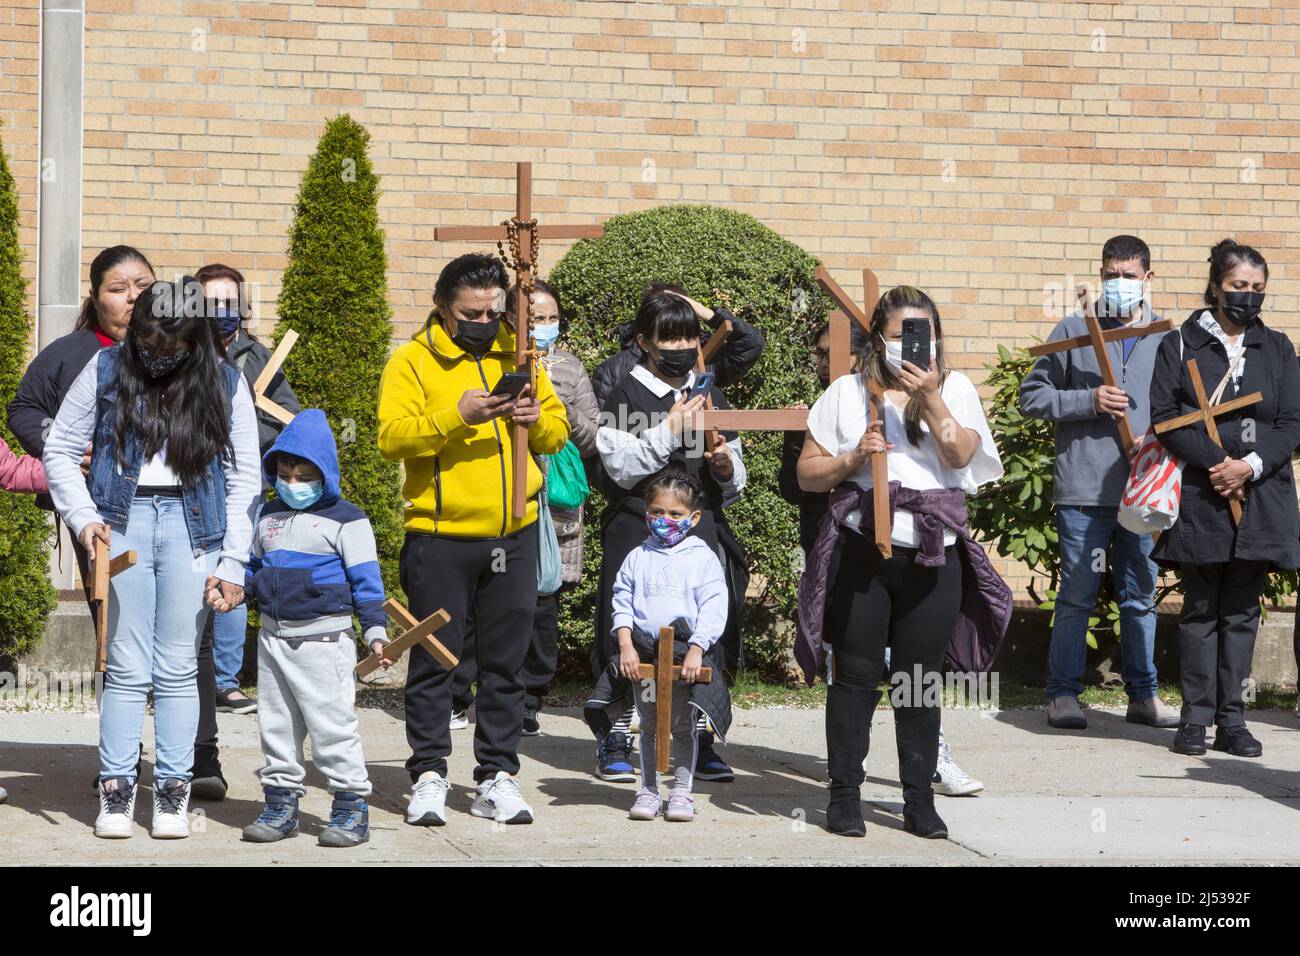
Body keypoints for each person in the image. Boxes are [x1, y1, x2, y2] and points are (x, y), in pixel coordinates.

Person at [44, 277, 261, 839]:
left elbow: (245, 476)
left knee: (179, 667)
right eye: (148, 345)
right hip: (122, 524)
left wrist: (233, 561)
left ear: (195, 339)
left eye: (173, 348)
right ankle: (116, 792)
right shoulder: (105, 368)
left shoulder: (226, 381)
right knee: (125, 666)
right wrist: (84, 518)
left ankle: (171, 793)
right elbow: (60, 449)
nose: (158, 357)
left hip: (197, 529)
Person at [797, 286, 1007, 839]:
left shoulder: (955, 388)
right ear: (878, 339)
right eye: (901, 335)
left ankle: (919, 799)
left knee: (918, 680)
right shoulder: (846, 392)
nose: (913, 345)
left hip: (934, 553)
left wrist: (932, 398)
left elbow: (960, 455)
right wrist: (851, 458)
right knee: (856, 676)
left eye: (924, 333)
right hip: (864, 550)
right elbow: (808, 475)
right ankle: (845, 796)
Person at [377, 253, 570, 827]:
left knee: (507, 663)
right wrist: (456, 416)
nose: (486, 322)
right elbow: (390, 438)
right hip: (441, 536)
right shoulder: (412, 360)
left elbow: (557, 433)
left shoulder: (522, 355)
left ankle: (496, 775)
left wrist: (536, 420)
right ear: (443, 307)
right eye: (472, 313)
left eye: (494, 311)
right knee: (436, 661)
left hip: (515, 532)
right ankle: (428, 773)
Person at [1020, 234, 1181, 731]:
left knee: (1140, 596)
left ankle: (1144, 695)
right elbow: (1032, 397)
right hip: (1084, 491)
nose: (1119, 283)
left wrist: (1160, 439)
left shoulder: (1166, 336)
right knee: (1076, 595)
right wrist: (1086, 400)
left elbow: (1184, 407)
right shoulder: (1074, 329)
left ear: (1148, 279)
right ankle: (1063, 694)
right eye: (1111, 275)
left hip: (1144, 489)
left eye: (1128, 276)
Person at [589, 287, 748, 784]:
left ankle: (697, 737)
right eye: (669, 338)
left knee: (704, 625)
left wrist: (725, 468)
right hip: (637, 526)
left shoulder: (709, 392)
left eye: (688, 337)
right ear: (644, 342)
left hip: (699, 531)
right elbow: (618, 467)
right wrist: (669, 431)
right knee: (626, 625)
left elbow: (736, 474)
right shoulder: (624, 394)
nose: (680, 347)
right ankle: (616, 733)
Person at [1149, 239, 1300, 758]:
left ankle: (1233, 720)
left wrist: (1249, 466)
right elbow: (1167, 417)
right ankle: (1194, 719)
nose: (1248, 296)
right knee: (1200, 609)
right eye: (1239, 286)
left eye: (1258, 288)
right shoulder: (1180, 344)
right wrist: (1219, 464)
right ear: (1216, 286)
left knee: (1240, 610)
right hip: (1202, 495)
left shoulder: (1277, 347)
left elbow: (1291, 422)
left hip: (1261, 495)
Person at [448, 279, 600, 735]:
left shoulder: (570, 369)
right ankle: (459, 694)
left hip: (550, 508)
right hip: (492, 499)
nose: (544, 327)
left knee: (537, 605)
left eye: (552, 319)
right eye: (535, 320)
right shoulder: (487, 360)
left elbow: (593, 435)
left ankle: (529, 697)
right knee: (478, 601)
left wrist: (555, 408)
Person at [237, 409, 388, 846]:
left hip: (325, 641)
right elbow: (253, 567)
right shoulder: (267, 514)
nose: (293, 483)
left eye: (304, 476)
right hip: (272, 639)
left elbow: (367, 582)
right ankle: (281, 805)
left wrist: (375, 632)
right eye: (285, 474)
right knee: (276, 727)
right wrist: (234, 590)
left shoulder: (349, 520)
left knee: (332, 728)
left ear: (325, 474)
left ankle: (351, 808)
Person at [9, 245, 154, 583]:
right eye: (117, 289)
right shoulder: (69, 353)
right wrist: (69, 447)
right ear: (95, 298)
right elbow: (24, 409)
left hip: (168, 503)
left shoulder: (185, 355)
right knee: (112, 600)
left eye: (143, 286)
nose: (133, 297)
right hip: (93, 501)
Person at [196, 262, 302, 718]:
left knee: (232, 573)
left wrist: (244, 427)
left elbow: (287, 417)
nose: (222, 310)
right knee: (186, 576)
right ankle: (180, 674)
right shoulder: (182, 352)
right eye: (211, 302)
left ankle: (224, 681)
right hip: (191, 485)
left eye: (229, 301)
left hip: (242, 484)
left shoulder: (258, 358)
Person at [604, 471, 730, 823]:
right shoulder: (638, 556)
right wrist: (626, 644)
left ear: (694, 517)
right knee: (648, 724)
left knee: (683, 726)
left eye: (675, 514)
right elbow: (622, 600)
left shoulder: (702, 558)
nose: (665, 520)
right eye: (657, 512)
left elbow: (714, 605)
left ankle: (682, 792)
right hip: (644, 654)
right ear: (646, 512)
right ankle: (648, 789)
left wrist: (697, 648)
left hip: (683, 655)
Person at [591, 286, 765, 407]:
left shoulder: (704, 357)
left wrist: (708, 314)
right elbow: (608, 436)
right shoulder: (615, 370)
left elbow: (751, 344)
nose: (682, 345)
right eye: (671, 337)